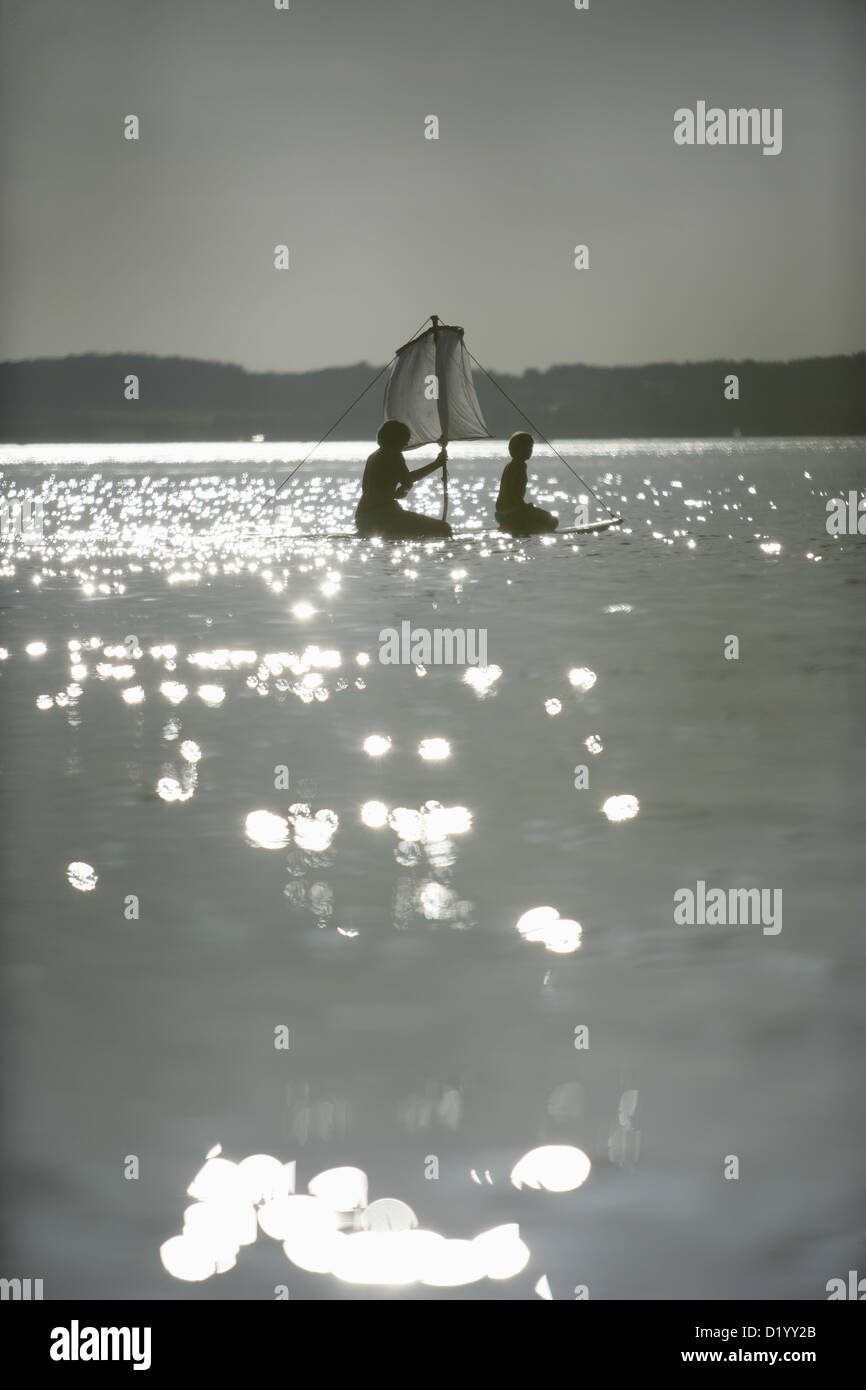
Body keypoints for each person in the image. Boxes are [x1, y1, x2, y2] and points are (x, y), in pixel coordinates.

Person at [355, 420, 452, 537]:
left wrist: (436, 464)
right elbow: (407, 481)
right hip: (381, 516)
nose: (405, 445)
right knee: (443, 528)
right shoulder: (393, 454)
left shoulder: (374, 456)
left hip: (362, 517)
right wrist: (404, 489)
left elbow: (405, 478)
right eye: (404, 441)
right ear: (396, 440)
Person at [495, 432, 558, 533]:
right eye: (527, 448)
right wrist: (524, 507)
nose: (530, 451)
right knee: (553, 521)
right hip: (512, 513)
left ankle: (514, 525)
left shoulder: (510, 465)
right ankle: (520, 526)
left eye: (531, 448)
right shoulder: (519, 466)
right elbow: (514, 492)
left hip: (500, 513)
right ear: (517, 449)